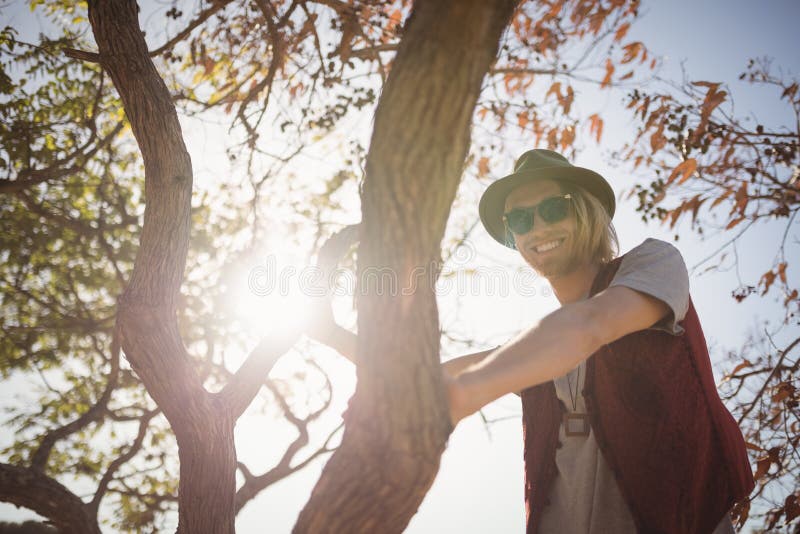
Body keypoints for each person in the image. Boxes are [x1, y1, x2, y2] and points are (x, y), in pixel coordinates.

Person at [310, 149, 754, 533]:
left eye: (553, 208)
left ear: (586, 210)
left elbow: (594, 323)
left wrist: (463, 395)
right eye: (520, 219)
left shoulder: (653, 263)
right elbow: (420, 379)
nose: (537, 227)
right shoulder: (531, 353)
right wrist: (330, 335)